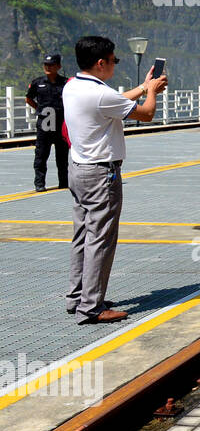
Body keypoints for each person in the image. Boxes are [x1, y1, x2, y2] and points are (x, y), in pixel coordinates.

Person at [62, 36, 167, 324]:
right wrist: (153, 93)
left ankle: (77, 296)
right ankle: (92, 307)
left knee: (82, 234)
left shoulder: (72, 86)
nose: (114, 65)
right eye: (113, 61)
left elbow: (114, 103)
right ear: (101, 63)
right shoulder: (101, 94)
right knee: (102, 239)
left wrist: (144, 86)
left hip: (78, 169)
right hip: (101, 174)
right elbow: (146, 114)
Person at [26, 53, 69, 192]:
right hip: (44, 126)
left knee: (62, 156)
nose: (48, 67)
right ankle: (39, 183)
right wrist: (39, 109)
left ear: (58, 66)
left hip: (61, 126)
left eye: (51, 64)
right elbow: (29, 98)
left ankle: (64, 181)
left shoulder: (66, 83)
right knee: (41, 156)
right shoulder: (37, 82)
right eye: (46, 64)